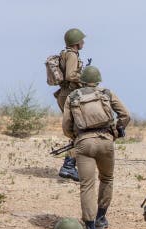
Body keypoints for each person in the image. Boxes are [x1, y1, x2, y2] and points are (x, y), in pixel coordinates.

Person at [62, 66, 131, 229]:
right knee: (107, 178)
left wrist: (76, 137)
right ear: (98, 80)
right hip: (106, 142)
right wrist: (116, 131)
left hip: (84, 143)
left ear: (82, 81)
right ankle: (101, 218)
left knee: (87, 186)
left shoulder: (73, 96)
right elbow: (125, 115)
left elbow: (66, 126)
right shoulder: (106, 93)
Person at [54, 27, 86, 182]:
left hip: (64, 94)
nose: (83, 42)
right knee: (79, 131)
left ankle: (70, 164)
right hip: (70, 96)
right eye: (81, 40)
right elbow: (70, 75)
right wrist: (85, 77)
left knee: (76, 130)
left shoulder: (65, 53)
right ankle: (68, 166)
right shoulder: (72, 55)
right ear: (76, 42)